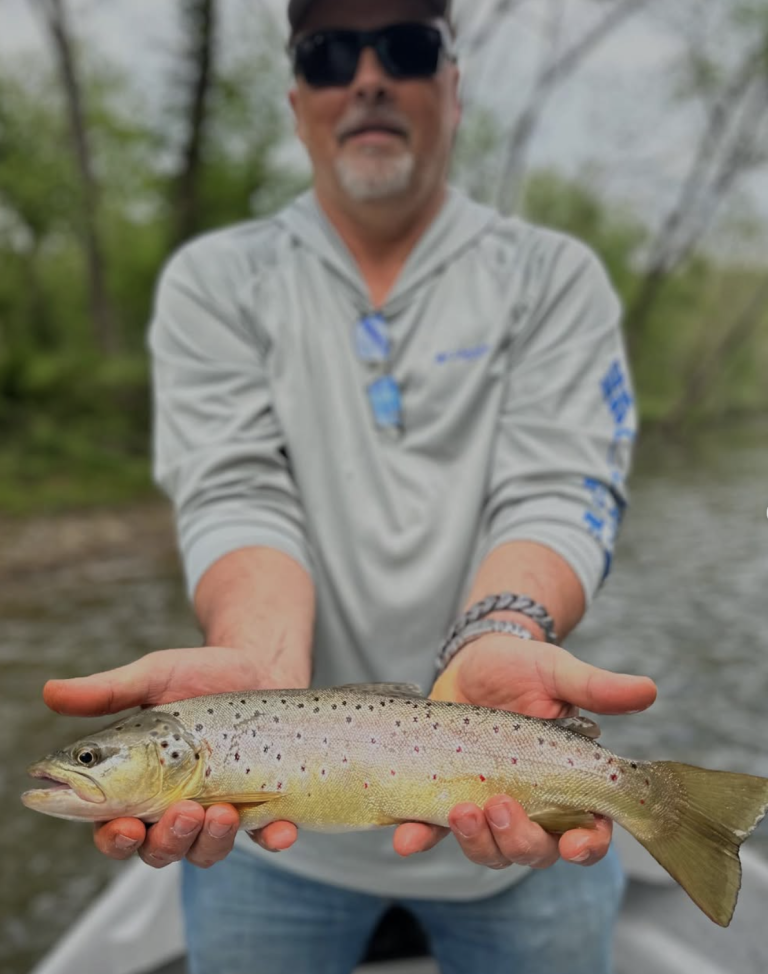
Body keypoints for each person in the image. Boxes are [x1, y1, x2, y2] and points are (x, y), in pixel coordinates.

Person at [43, 0, 657, 971]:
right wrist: (256, 650)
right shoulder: (215, 282)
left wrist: (499, 630)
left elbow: (559, 486)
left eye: (406, 47)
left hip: (522, 835)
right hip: (261, 859)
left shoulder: (554, 276)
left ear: (452, 87)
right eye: (330, 54)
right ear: (298, 102)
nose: (366, 76)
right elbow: (236, 493)